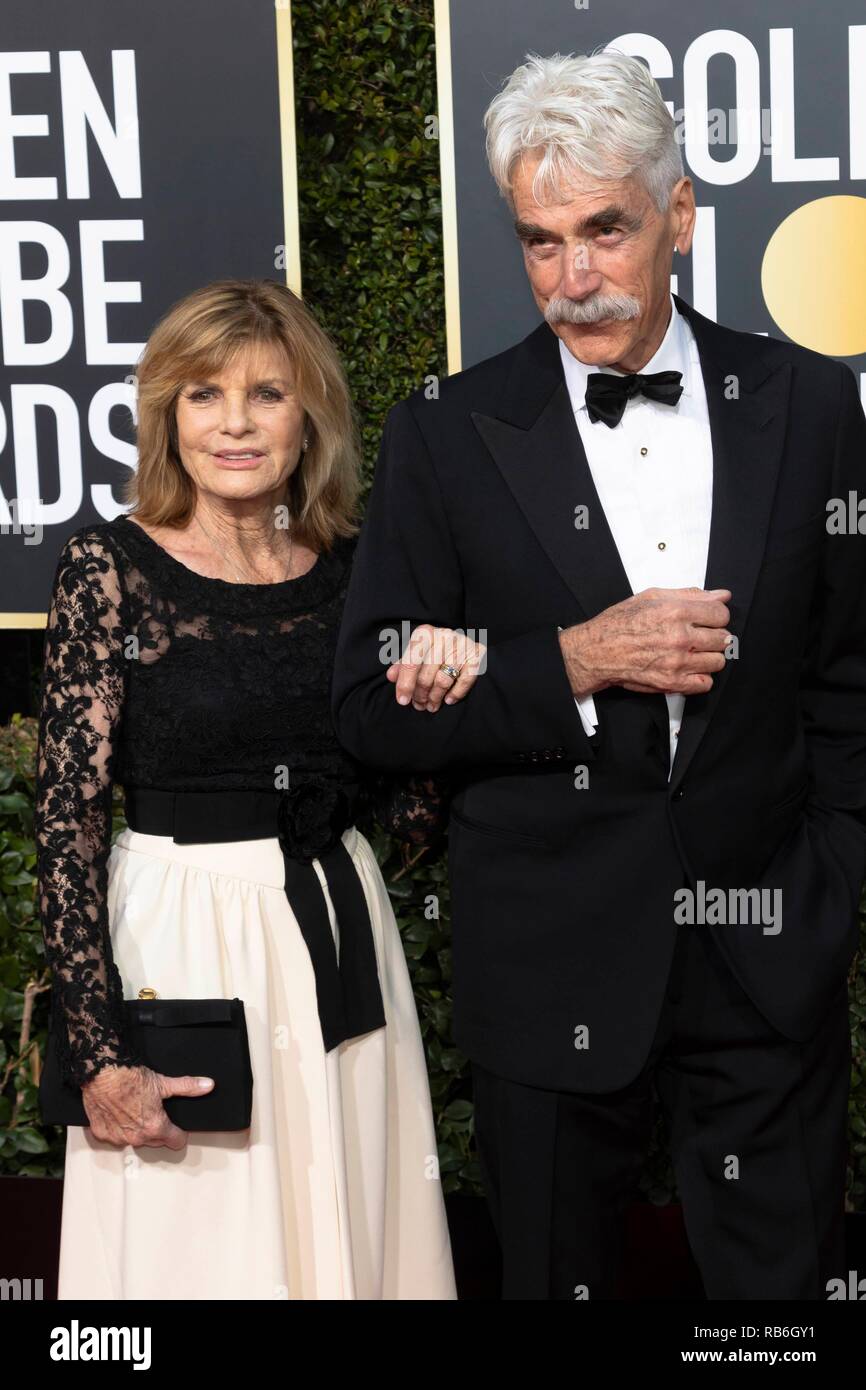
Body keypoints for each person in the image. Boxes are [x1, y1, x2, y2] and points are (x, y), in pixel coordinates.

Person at [331, 52, 866, 1299]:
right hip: (551, 964)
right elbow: (368, 702)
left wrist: (830, 878)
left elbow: (846, 681)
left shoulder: (806, 403)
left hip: (767, 953)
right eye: (539, 241)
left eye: (606, 230)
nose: (573, 279)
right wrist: (571, 660)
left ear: (678, 215)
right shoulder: (448, 432)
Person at [34, 278, 458, 1300]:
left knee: (348, 1218)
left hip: (337, 925)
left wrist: (438, 709)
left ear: (306, 413)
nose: (233, 424)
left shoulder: (359, 572)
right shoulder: (110, 568)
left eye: (266, 394)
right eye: (201, 394)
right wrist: (95, 1051)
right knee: (199, 1249)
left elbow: (399, 815)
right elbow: (66, 821)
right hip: (178, 939)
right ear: (165, 414)